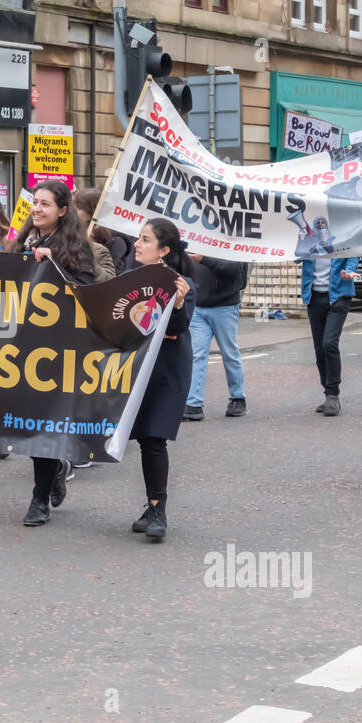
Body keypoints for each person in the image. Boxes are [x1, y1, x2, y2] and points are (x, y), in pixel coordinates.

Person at [6, 179, 96, 527]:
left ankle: (39, 499)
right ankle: (56, 468)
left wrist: (53, 264)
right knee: (26, 422)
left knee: (41, 423)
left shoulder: (74, 248)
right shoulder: (23, 243)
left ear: (62, 211)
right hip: (20, 348)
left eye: (45, 204)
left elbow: (87, 291)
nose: (37, 209)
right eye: (35, 203)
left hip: (54, 351)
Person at [127, 219, 196, 542]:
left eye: (145, 239)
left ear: (164, 250)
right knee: (142, 438)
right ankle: (151, 506)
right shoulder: (129, 280)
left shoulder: (182, 284)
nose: (137, 244)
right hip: (136, 369)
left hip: (167, 371)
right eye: (138, 238)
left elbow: (178, 328)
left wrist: (179, 304)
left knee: (154, 438)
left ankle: (158, 509)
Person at [183, 251, 249, 421]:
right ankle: (193, 403)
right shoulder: (199, 237)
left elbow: (232, 269)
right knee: (197, 354)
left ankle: (238, 397)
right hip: (199, 305)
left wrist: (202, 258)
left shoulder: (233, 240)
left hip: (225, 306)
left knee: (229, 353)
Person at [300, 250, 360, 416]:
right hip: (314, 296)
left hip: (339, 295)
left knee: (329, 343)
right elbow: (297, 257)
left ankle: (333, 394)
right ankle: (328, 394)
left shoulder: (342, 233)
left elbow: (353, 254)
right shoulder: (308, 237)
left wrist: (349, 272)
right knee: (319, 349)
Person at [73, 188, 117, 282]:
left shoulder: (114, 241)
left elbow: (111, 281)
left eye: (78, 207)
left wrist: (86, 260)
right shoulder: (69, 232)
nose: (73, 210)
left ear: (92, 210)